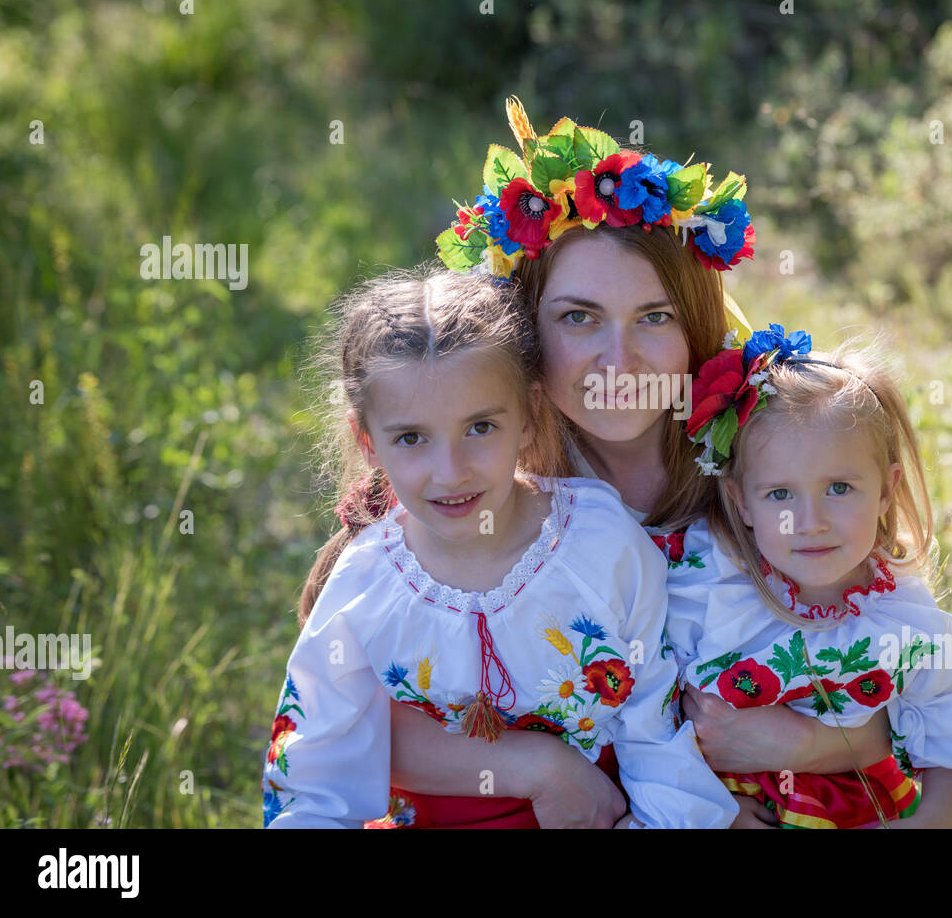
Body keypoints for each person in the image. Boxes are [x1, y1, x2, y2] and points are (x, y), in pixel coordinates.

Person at [375, 96, 900, 827]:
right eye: (578, 317)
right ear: (524, 327)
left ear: (696, 324)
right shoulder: (467, 470)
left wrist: (810, 742)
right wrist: (543, 766)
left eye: (654, 317)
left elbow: (900, 672)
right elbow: (349, 709)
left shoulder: (768, 455)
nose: (617, 360)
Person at [261, 266, 739, 828]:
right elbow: (313, 787)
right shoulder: (360, 590)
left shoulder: (600, 544)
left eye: (481, 427)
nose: (451, 471)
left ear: (530, 416)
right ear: (367, 442)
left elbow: (654, 736)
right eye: (411, 438)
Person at [664, 327, 952, 827]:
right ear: (741, 501)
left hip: (860, 808)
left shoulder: (903, 615)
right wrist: (715, 811)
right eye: (780, 494)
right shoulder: (710, 585)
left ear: (887, 491)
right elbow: (652, 714)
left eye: (839, 488)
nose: (811, 521)